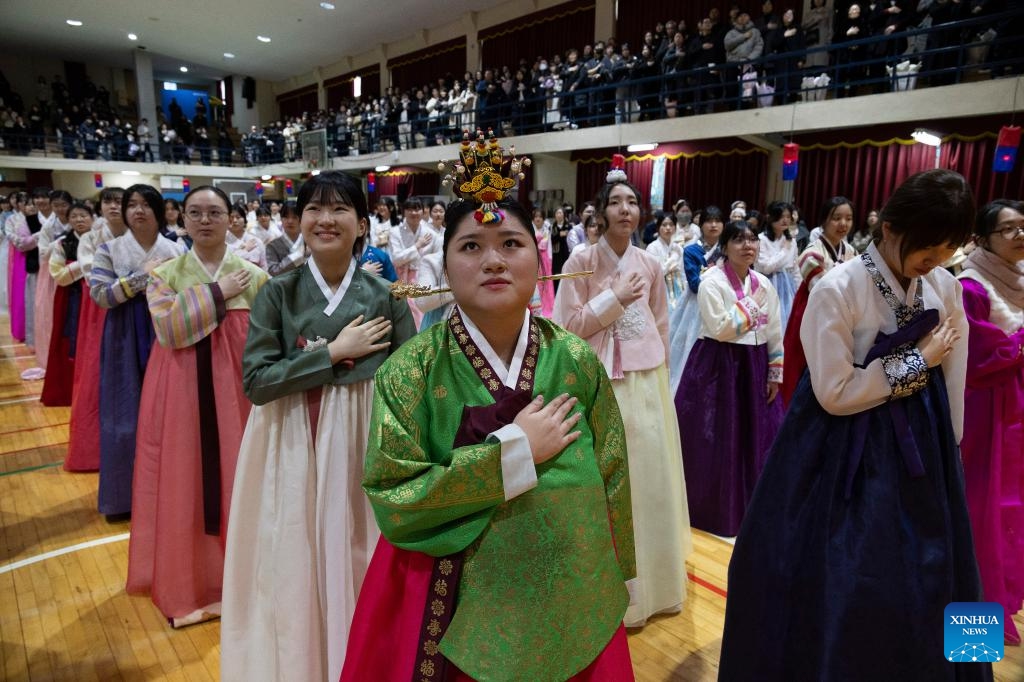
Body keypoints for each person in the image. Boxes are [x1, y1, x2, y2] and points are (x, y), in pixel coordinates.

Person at [342, 196, 635, 681]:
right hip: (451, 597)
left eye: (511, 243)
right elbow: (394, 496)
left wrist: (612, 570)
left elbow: (612, 474)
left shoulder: (576, 359)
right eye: (471, 246)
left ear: (539, 261)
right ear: (446, 267)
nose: (494, 260)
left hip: (573, 592)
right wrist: (512, 454)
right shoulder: (410, 371)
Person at [719, 169, 991, 682]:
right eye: (926, 252)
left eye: (944, 254)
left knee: (953, 570)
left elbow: (954, 380)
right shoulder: (836, 288)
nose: (933, 265)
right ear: (889, 227)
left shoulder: (945, 288)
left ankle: (972, 670)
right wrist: (918, 362)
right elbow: (835, 393)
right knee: (850, 580)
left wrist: (951, 451)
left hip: (926, 450)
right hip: (843, 452)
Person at [221, 171, 415, 682]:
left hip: (365, 439)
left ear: (362, 224)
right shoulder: (277, 293)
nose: (325, 220)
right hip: (291, 438)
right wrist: (332, 354)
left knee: (361, 549)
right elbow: (258, 382)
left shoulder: (386, 295)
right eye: (313, 210)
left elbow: (412, 385)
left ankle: (363, 663)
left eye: (340, 210)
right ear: (297, 220)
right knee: (297, 554)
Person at [553, 173, 690, 628]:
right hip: (602, 384)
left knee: (650, 478)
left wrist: (664, 372)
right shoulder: (581, 259)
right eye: (616, 202)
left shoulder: (649, 261)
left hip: (646, 381)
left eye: (632, 202)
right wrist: (613, 298)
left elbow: (661, 322)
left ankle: (656, 582)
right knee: (611, 481)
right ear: (601, 211)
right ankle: (609, 589)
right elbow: (567, 327)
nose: (626, 210)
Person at [127, 186, 268, 627]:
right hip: (182, 394)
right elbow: (168, 329)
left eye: (214, 212)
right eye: (195, 213)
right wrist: (217, 292)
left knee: (242, 478)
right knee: (184, 480)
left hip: (240, 397)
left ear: (231, 220)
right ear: (182, 221)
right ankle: (192, 585)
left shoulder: (255, 276)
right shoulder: (164, 273)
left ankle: (247, 581)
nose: (205, 220)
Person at [677, 220, 784, 536]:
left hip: (754, 362)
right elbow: (721, 328)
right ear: (724, 247)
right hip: (718, 364)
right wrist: (751, 305)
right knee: (717, 435)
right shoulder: (711, 282)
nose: (748, 246)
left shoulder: (764, 283)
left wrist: (774, 372)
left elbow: (775, 330)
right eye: (738, 240)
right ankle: (713, 506)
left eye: (753, 240)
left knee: (754, 432)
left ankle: (751, 502)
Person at [89, 184, 185, 520]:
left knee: (168, 414)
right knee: (122, 415)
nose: (138, 211)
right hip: (124, 336)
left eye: (147, 205)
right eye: (133, 205)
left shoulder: (175, 249)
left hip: (167, 330)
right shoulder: (109, 250)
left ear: (159, 212)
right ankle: (122, 499)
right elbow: (100, 295)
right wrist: (140, 278)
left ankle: (170, 492)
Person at [958, 199, 1024, 645]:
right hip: (985, 412)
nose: (1020, 235)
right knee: (980, 515)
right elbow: (977, 356)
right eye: (1008, 229)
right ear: (981, 238)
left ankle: (1001, 612)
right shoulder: (970, 285)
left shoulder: (1018, 277)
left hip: (1015, 412)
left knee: (1011, 514)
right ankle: (969, 641)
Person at [65, 187, 125, 472]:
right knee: (96, 373)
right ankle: (97, 448)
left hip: (138, 307)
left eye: (119, 201)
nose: (114, 206)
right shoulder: (90, 238)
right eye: (108, 201)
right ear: (100, 207)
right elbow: (92, 273)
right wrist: (132, 277)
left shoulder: (137, 234)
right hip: (100, 310)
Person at [781, 196, 856, 405]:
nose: (843, 224)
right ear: (824, 220)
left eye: (848, 218)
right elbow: (824, 292)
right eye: (837, 218)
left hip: (843, 315)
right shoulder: (811, 253)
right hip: (813, 313)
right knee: (805, 365)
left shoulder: (851, 252)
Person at [668, 206, 725, 395]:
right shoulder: (691, 250)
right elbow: (694, 284)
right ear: (700, 225)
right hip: (695, 306)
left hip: (723, 303)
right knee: (690, 347)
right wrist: (717, 272)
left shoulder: (728, 249)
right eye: (709, 221)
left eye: (718, 221)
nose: (714, 225)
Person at [41, 201, 93, 407]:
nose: (79, 220)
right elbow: (59, 275)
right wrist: (86, 263)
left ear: (92, 217)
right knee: (71, 339)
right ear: (68, 220)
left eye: (83, 215)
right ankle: (71, 390)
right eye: (74, 216)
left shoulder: (102, 241)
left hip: (97, 297)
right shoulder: (62, 244)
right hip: (72, 296)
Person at [389, 197, 441, 328]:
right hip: (400, 278)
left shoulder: (431, 234)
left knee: (421, 312)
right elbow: (396, 259)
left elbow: (437, 258)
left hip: (423, 278)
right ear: (404, 211)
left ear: (423, 212)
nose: (414, 213)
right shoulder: (395, 232)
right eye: (410, 209)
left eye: (417, 209)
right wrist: (417, 246)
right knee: (401, 315)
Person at [755, 201, 800, 331]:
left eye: (788, 216)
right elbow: (766, 268)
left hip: (788, 285)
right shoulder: (761, 239)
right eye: (781, 216)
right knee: (769, 323)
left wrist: (798, 291)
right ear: (770, 217)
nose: (785, 220)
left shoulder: (791, 240)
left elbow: (795, 268)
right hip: (767, 283)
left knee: (788, 323)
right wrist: (784, 251)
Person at [645, 211, 684, 309]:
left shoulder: (678, 248)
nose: (668, 228)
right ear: (658, 228)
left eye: (671, 225)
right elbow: (654, 274)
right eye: (664, 225)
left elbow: (682, 272)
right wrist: (673, 260)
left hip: (678, 288)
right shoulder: (652, 247)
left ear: (675, 227)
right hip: (660, 289)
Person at [264, 203, 306, 276]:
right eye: (286, 217)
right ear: (281, 219)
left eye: (294, 217)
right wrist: (298, 254)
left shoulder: (309, 242)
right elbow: (273, 271)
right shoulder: (272, 245)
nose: (290, 221)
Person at [532, 208, 555, 316]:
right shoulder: (530, 229)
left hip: (545, 258)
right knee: (536, 282)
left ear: (543, 219)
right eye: (536, 216)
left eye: (540, 217)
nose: (538, 219)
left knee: (546, 282)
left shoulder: (546, 230)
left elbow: (549, 245)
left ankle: (547, 307)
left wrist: (550, 259)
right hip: (534, 257)